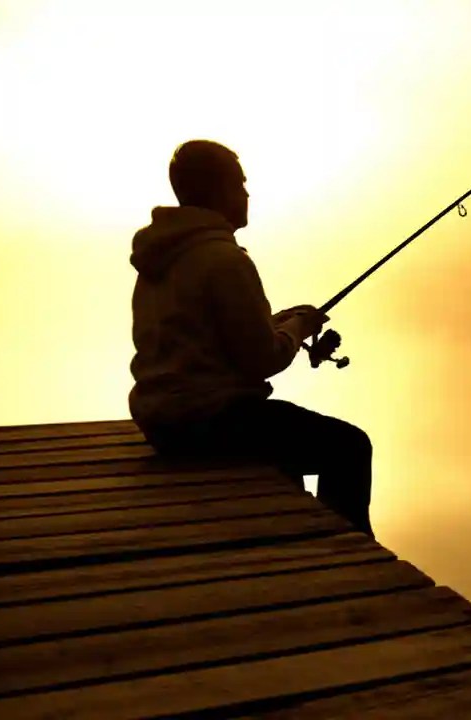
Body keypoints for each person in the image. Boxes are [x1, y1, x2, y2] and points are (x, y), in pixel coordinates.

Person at [127, 139, 374, 539]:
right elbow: (262, 359)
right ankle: (347, 550)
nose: (247, 194)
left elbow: (207, 336)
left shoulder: (162, 255)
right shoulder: (225, 260)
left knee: (286, 452)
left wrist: (286, 320)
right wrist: (297, 329)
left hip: (161, 422)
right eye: (240, 184)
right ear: (219, 191)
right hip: (210, 422)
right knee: (349, 447)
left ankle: (305, 536)